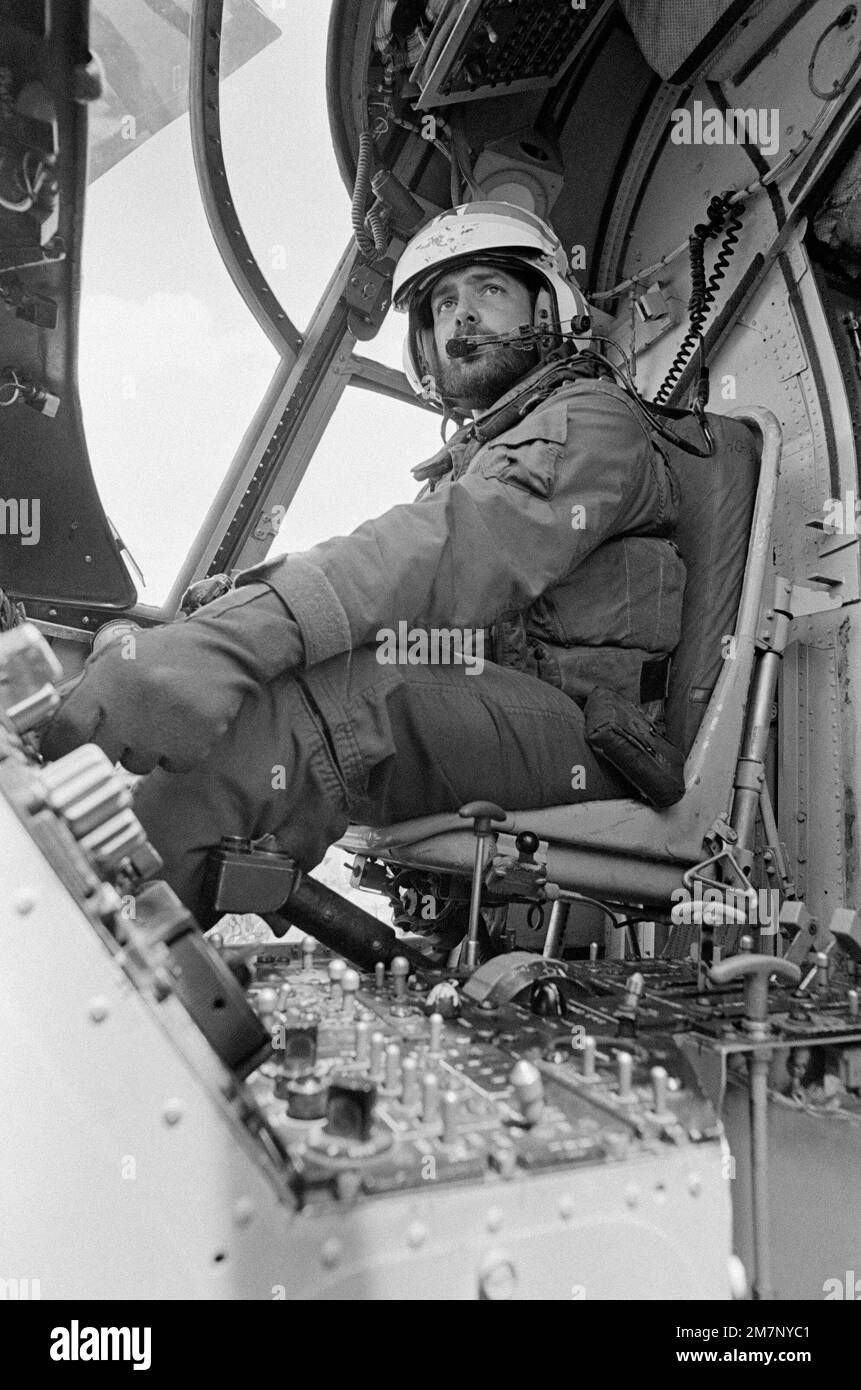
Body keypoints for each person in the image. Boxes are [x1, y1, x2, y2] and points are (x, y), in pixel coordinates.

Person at [42, 202, 685, 928]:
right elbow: (411, 583)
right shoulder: (473, 464)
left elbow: (457, 549)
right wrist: (226, 618)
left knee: (325, 702)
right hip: (498, 716)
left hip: (594, 745)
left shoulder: (594, 420)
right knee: (278, 675)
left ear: (547, 306)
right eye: (443, 303)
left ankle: (101, 956)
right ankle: (110, 931)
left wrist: (237, 636)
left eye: (488, 291)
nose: (461, 318)